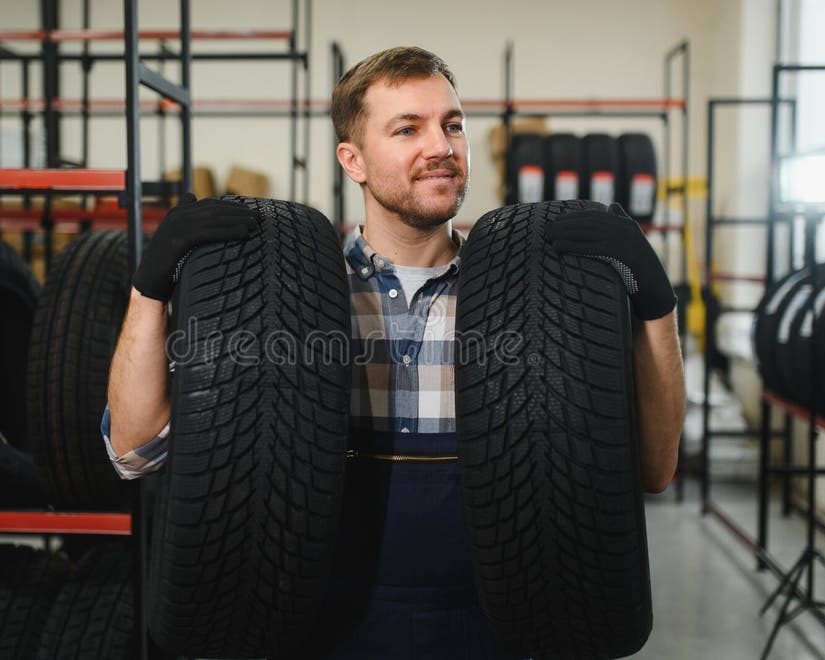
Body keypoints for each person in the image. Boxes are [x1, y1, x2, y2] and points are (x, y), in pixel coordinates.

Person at [103, 46, 685, 659]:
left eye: (452, 125)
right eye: (407, 128)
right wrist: (150, 289)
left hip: (496, 628)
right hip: (318, 629)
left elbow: (653, 467)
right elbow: (133, 454)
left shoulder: (541, 307)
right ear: (352, 160)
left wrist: (656, 305)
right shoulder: (284, 303)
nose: (441, 146)